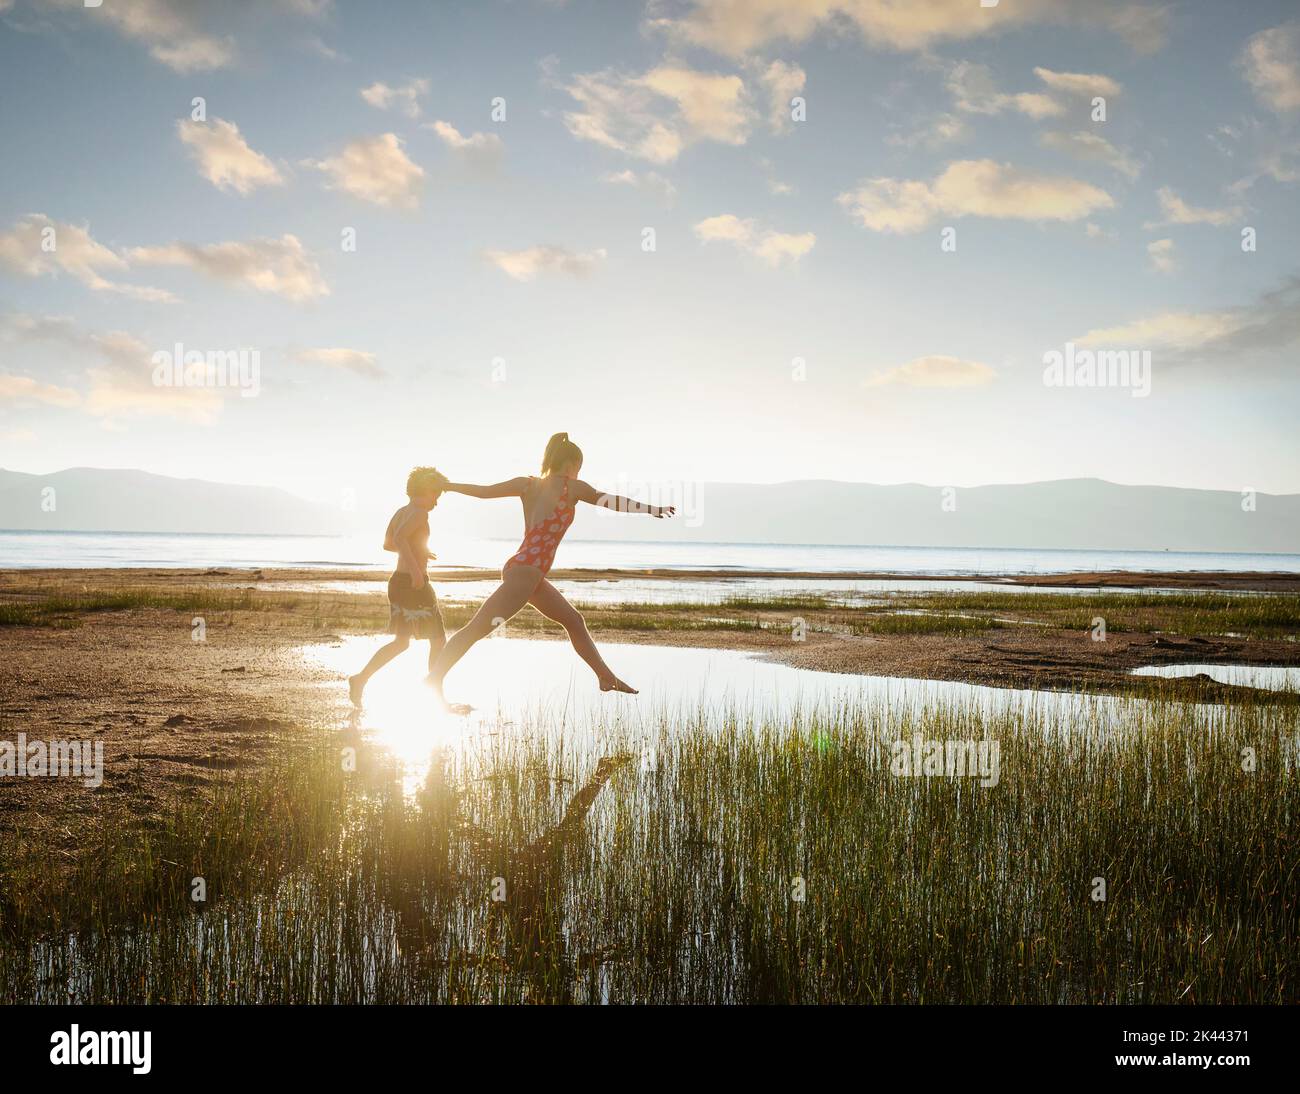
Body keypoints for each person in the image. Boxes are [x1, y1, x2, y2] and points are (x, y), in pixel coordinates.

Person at [429, 432, 674, 705]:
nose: (579, 472)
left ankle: (605, 677)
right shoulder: (573, 488)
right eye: (579, 466)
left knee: (573, 620)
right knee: (475, 629)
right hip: (526, 573)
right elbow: (611, 501)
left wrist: (448, 485)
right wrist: (651, 509)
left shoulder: (527, 485)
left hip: (525, 571)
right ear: (571, 464)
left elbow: (484, 492)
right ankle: (433, 679)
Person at [348, 466, 448, 707]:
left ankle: (360, 679)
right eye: (437, 494)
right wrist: (416, 569)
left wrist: (419, 551)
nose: (437, 501)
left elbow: (389, 544)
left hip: (399, 582)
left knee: (402, 642)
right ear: (427, 490)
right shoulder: (419, 513)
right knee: (438, 639)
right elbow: (401, 538)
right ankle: (435, 695)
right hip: (414, 584)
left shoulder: (402, 511)